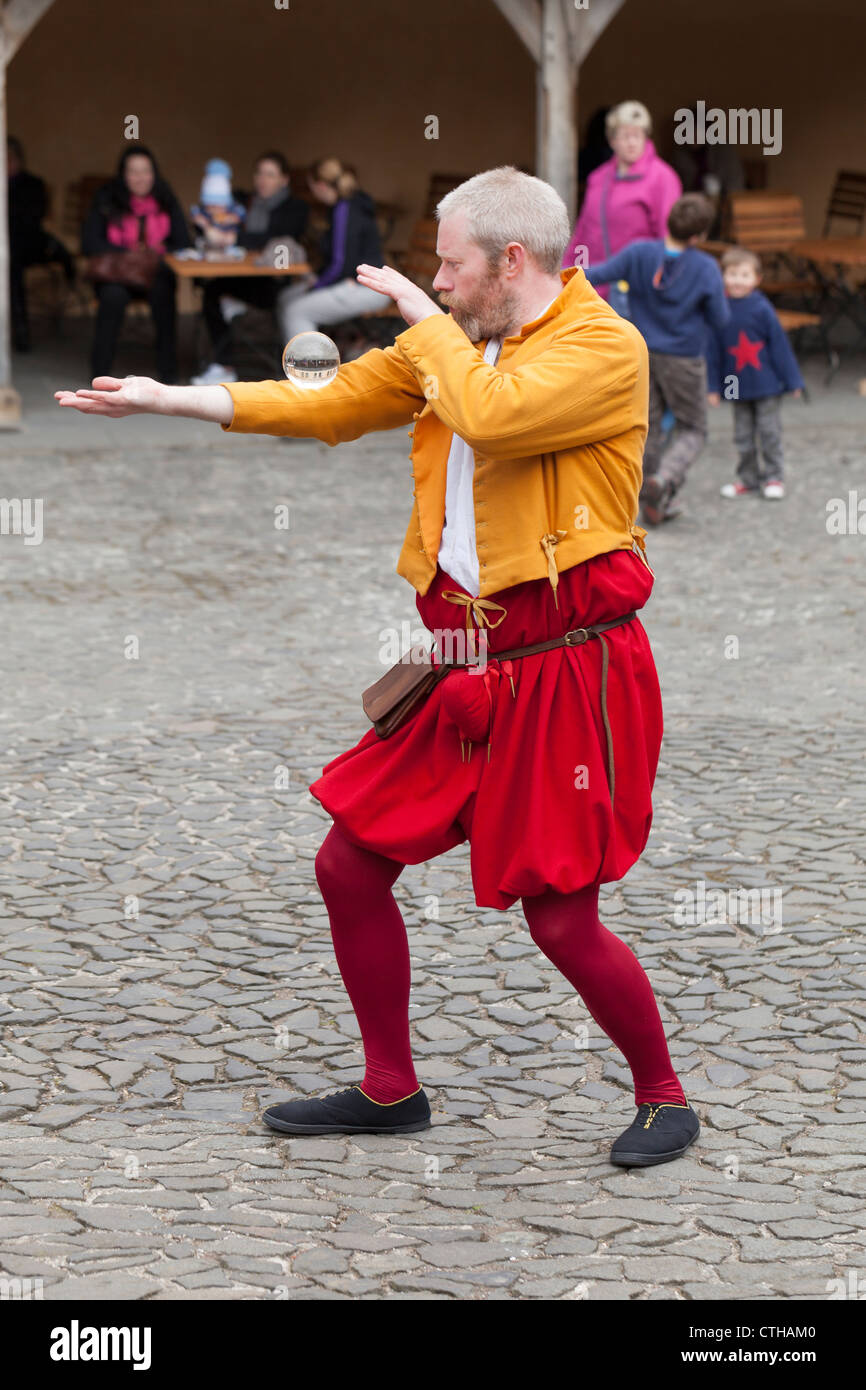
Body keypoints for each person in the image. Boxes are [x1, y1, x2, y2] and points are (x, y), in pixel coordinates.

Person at [55, 166, 701, 1169]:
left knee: (560, 917)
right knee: (348, 863)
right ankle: (388, 1087)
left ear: (511, 262)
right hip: (459, 657)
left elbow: (495, 415)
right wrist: (170, 398)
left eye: (448, 266)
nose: (434, 283)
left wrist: (418, 319)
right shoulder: (460, 341)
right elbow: (334, 403)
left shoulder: (602, 348)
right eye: (431, 272)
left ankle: (663, 1094)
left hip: (569, 667)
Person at [585, 194, 729, 526]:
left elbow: (595, 275)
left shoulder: (639, 253)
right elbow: (720, 319)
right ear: (699, 236)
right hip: (684, 358)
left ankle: (649, 498)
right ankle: (664, 479)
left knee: (646, 425)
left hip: (642, 353)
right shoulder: (706, 268)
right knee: (693, 428)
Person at [191, 151, 309, 386]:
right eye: (259, 174)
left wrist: (233, 237)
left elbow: (274, 238)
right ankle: (224, 365)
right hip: (241, 275)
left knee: (217, 292)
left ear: (284, 180)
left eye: (270, 175)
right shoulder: (244, 202)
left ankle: (225, 352)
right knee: (211, 290)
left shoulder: (295, 208)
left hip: (273, 283)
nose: (263, 180)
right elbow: (217, 217)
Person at [81, 144, 190, 383]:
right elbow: (89, 243)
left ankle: (168, 373)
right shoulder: (107, 198)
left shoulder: (165, 197)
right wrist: (129, 254)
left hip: (153, 272)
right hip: (117, 274)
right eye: (133, 171)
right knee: (112, 297)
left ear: (154, 174)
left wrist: (153, 254)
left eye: (146, 171)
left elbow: (183, 242)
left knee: (164, 292)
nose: (140, 177)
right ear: (123, 174)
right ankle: (100, 373)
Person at [562, 100, 682, 315]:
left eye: (638, 135)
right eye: (625, 136)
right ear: (612, 140)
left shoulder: (662, 178)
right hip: (596, 290)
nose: (632, 142)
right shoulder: (598, 178)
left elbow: (669, 237)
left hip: (639, 292)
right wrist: (569, 271)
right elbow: (584, 233)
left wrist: (664, 284)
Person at [707, 247, 804, 501]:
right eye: (732, 274)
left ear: (757, 279)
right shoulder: (719, 309)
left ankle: (774, 477)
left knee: (769, 432)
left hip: (767, 385)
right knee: (741, 435)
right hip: (734, 385)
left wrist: (793, 380)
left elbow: (780, 346)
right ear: (723, 276)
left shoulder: (762, 309)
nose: (738, 280)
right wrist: (713, 388)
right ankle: (747, 479)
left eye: (744, 275)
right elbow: (713, 351)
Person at [275, 156, 391, 345]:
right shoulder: (350, 202)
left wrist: (317, 285)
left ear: (320, 186)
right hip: (357, 282)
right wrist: (318, 279)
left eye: (311, 187)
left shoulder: (344, 210)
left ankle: (310, 370)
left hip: (366, 288)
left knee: (295, 311)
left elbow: (341, 263)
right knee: (285, 298)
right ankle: (290, 360)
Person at [7, 135, 75, 351]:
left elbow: (32, 219)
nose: (7, 163)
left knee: (13, 263)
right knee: (10, 264)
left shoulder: (33, 184)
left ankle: (21, 331)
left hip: (29, 244)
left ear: (19, 160)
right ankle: (19, 328)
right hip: (8, 247)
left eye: (11, 158)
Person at [190, 158, 247, 238]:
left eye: (219, 205)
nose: (215, 209)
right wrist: (200, 220)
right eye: (211, 206)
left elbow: (242, 213)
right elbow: (194, 211)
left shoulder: (233, 209)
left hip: (229, 237)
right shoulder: (204, 212)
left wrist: (231, 218)